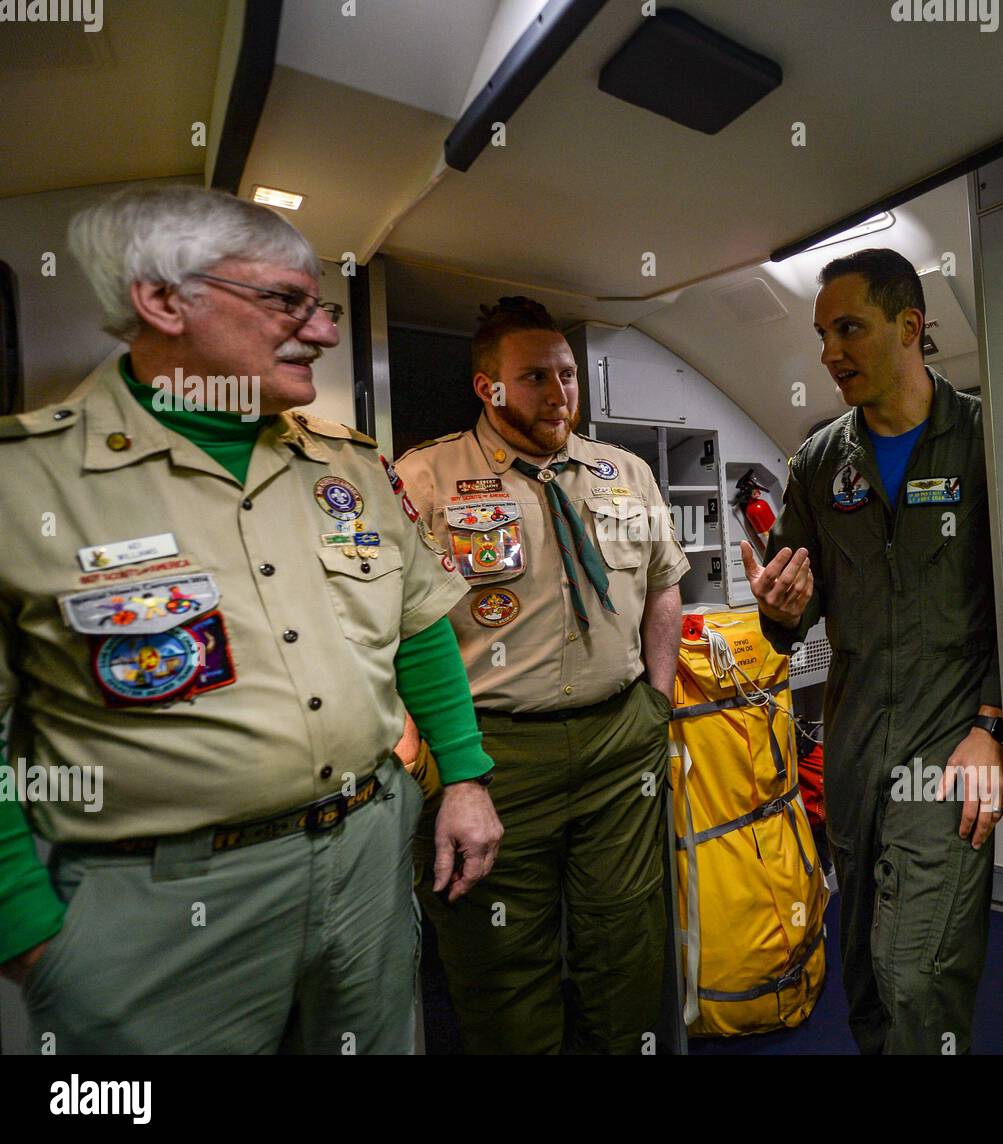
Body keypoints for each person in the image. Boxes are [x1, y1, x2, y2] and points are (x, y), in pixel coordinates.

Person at [0, 185, 501, 1053]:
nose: (323, 332)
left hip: (369, 858)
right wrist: (28, 933)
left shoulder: (348, 466)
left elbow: (415, 628)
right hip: (158, 906)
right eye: (285, 302)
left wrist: (464, 775)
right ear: (164, 300)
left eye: (323, 307)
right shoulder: (26, 481)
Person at [395, 296, 688, 1054]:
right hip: (491, 753)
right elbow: (392, 624)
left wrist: (656, 702)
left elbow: (665, 585)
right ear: (487, 386)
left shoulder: (625, 473)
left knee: (626, 944)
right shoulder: (424, 478)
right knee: (500, 965)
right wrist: (426, 751)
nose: (559, 393)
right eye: (535, 378)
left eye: (568, 375)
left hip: (620, 740)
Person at [742, 248, 1003, 1054]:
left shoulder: (985, 442)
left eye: (849, 329)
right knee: (860, 971)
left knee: (916, 976)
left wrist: (990, 725)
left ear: (910, 327)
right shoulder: (820, 464)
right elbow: (791, 610)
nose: (830, 353)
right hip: (856, 750)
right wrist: (780, 612)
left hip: (949, 744)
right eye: (823, 335)